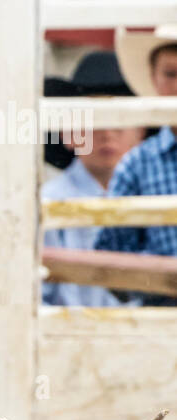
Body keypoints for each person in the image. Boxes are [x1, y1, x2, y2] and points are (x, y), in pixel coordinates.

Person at [41, 51, 145, 307]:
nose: (108, 132)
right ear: (68, 133)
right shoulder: (47, 202)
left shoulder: (160, 195)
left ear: (142, 128)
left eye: (120, 117)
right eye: (94, 119)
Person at [95, 27, 177, 304]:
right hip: (161, 313)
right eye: (170, 74)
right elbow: (109, 261)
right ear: (154, 80)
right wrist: (158, 276)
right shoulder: (137, 165)